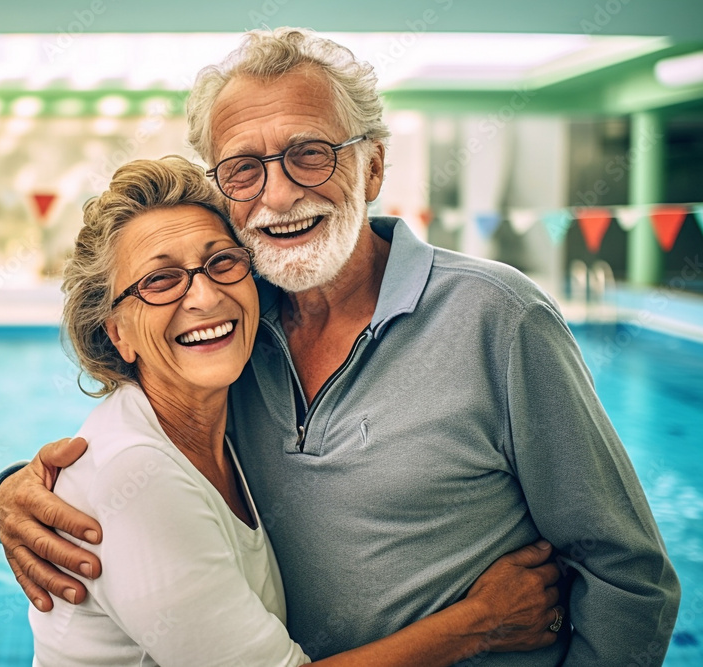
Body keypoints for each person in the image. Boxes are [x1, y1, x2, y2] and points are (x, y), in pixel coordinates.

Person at [0, 28, 681, 665]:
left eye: (310, 154)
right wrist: (11, 494)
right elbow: (135, 456)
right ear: (224, 191)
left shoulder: (499, 319)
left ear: (372, 167)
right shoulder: (230, 323)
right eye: (244, 168)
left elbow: (627, 576)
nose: (279, 194)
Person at [27, 154, 562, 666]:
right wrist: (480, 622)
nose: (205, 297)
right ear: (117, 333)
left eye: (222, 262)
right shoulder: (139, 474)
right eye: (160, 280)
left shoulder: (229, 414)